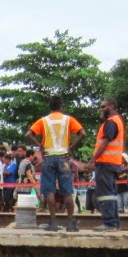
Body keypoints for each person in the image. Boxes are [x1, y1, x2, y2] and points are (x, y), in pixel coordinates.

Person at [26, 96, 86, 231]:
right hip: (64, 158)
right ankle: (70, 223)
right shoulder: (68, 120)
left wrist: (41, 146)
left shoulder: (43, 121)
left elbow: (28, 134)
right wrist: (70, 147)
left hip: (48, 158)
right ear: (61, 106)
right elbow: (82, 133)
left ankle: (53, 222)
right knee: (67, 191)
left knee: (50, 190)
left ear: (50, 107)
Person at [86, 98, 126, 231]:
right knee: (111, 194)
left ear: (111, 106)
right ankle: (115, 223)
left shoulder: (111, 122)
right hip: (113, 162)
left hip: (105, 163)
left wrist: (92, 160)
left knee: (105, 194)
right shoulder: (118, 121)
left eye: (103, 107)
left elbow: (104, 143)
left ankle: (109, 223)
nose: (101, 109)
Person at [2, 145, 23, 211]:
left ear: (8, 159)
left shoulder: (13, 164)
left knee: (9, 199)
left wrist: (2, 172)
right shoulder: (5, 165)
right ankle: (7, 210)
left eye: (4, 160)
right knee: (5, 199)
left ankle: (11, 210)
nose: (4, 161)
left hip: (11, 185)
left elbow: (8, 173)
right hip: (5, 184)